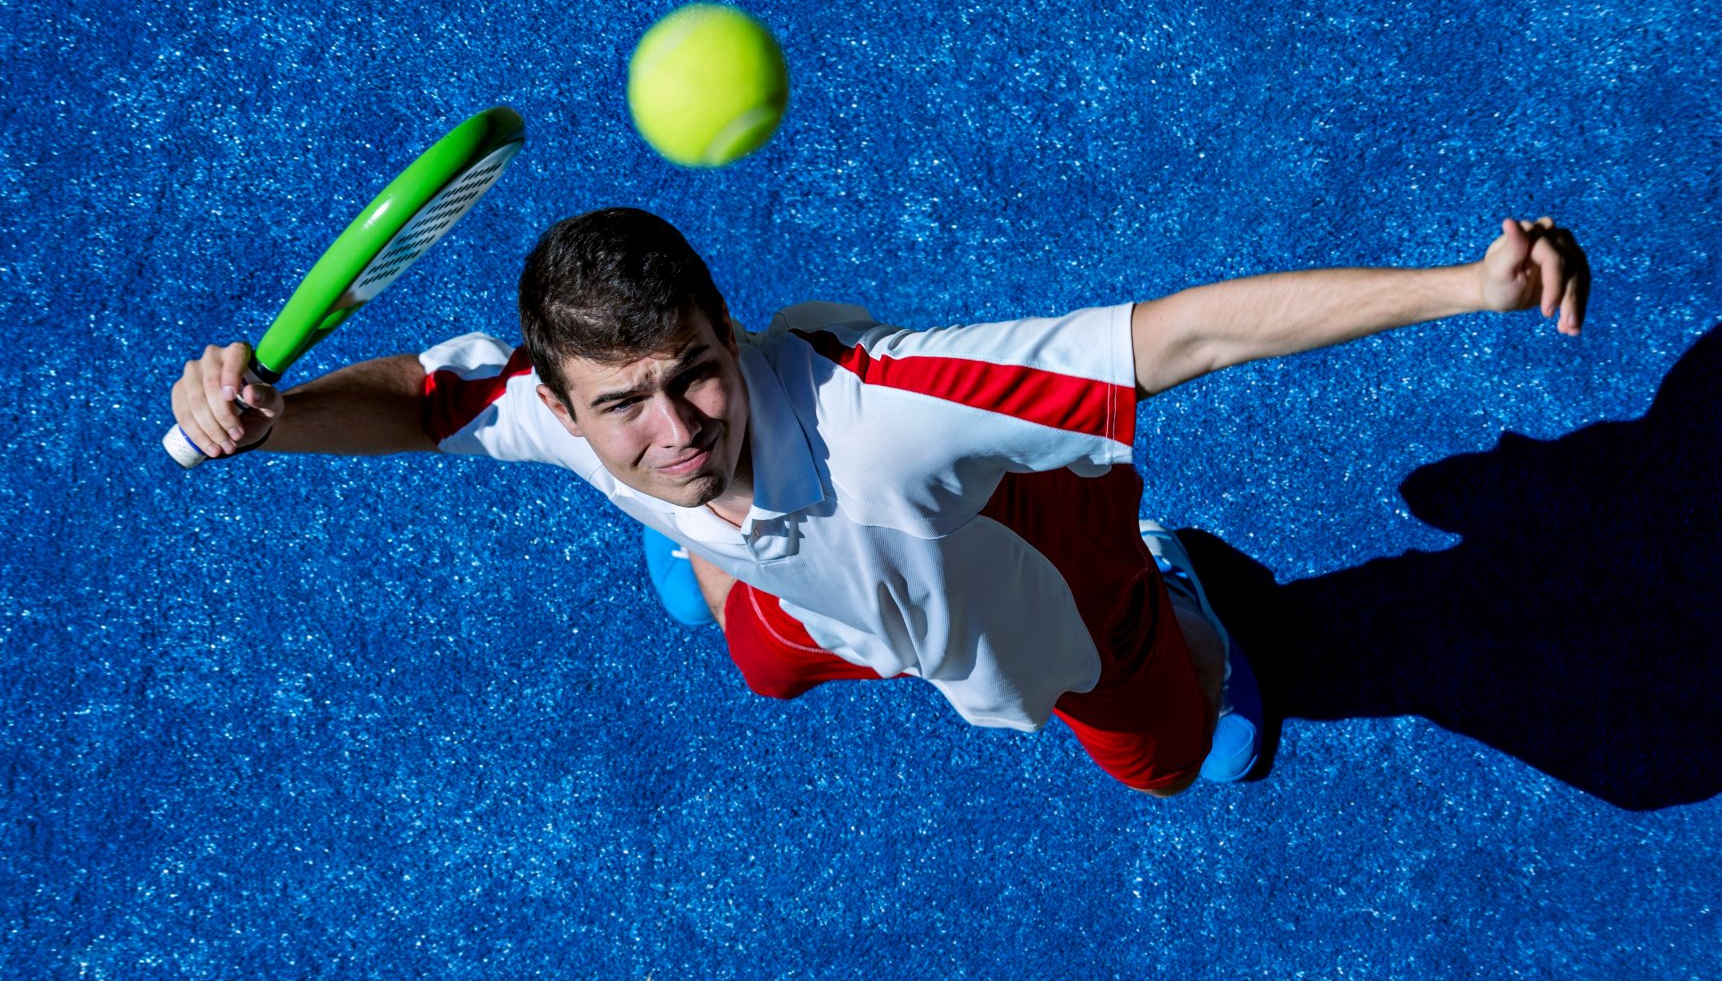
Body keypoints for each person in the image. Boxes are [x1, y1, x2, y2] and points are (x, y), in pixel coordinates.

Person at [170, 209, 1588, 796]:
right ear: (561, 391)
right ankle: (732, 574)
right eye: (624, 406)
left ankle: (1177, 582)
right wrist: (275, 419)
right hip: (825, 600)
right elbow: (423, 408)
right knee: (760, 660)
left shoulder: (889, 408)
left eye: (697, 379)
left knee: (1173, 756)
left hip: (1038, 593)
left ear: (730, 330)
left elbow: (1189, 336)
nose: (674, 433)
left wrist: (1464, 288)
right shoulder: (538, 407)